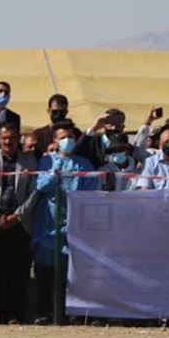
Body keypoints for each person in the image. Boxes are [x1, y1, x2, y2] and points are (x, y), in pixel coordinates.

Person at [32, 121, 98, 322]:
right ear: (55, 141)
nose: (66, 141)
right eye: (62, 138)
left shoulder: (84, 165)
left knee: (70, 274)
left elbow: (91, 194)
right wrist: (56, 169)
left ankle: (71, 315)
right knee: (46, 272)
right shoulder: (46, 162)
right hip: (48, 225)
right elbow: (41, 187)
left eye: (70, 137)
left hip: (74, 227)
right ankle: (44, 313)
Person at [0, 123, 40, 324]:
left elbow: (34, 192)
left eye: (12, 138)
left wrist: (18, 216)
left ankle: (14, 314)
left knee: (17, 271)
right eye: (4, 138)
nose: (8, 142)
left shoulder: (29, 161)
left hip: (19, 224)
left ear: (18, 138)